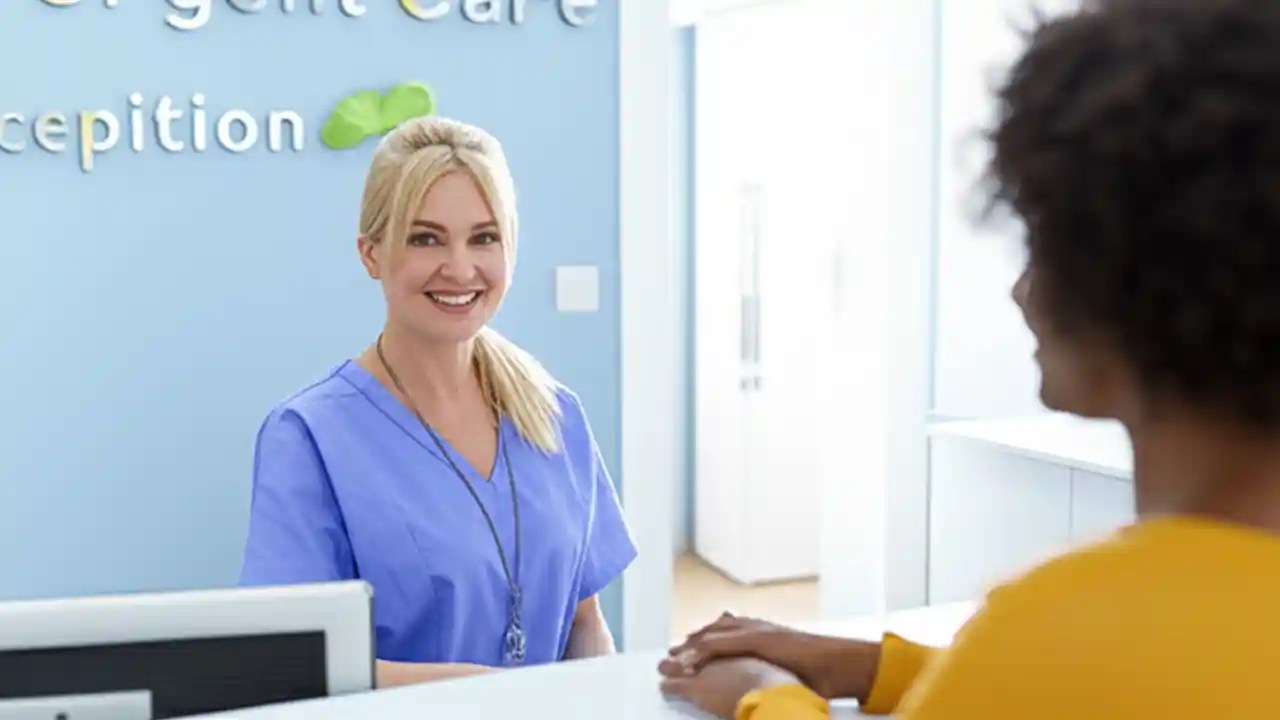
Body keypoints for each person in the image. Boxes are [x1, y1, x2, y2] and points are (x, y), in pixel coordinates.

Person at [658, 0, 1280, 717]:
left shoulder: (1060, 624)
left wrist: (765, 697)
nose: (1021, 291)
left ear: (1136, 277)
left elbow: (1081, 670)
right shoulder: (1093, 647)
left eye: (1041, 239)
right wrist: (874, 666)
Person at [239, 115, 637, 687]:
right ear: (370, 253)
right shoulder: (309, 438)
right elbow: (288, 663)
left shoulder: (554, 414)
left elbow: (585, 623)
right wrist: (490, 697)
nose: (460, 268)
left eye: (484, 237)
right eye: (426, 238)